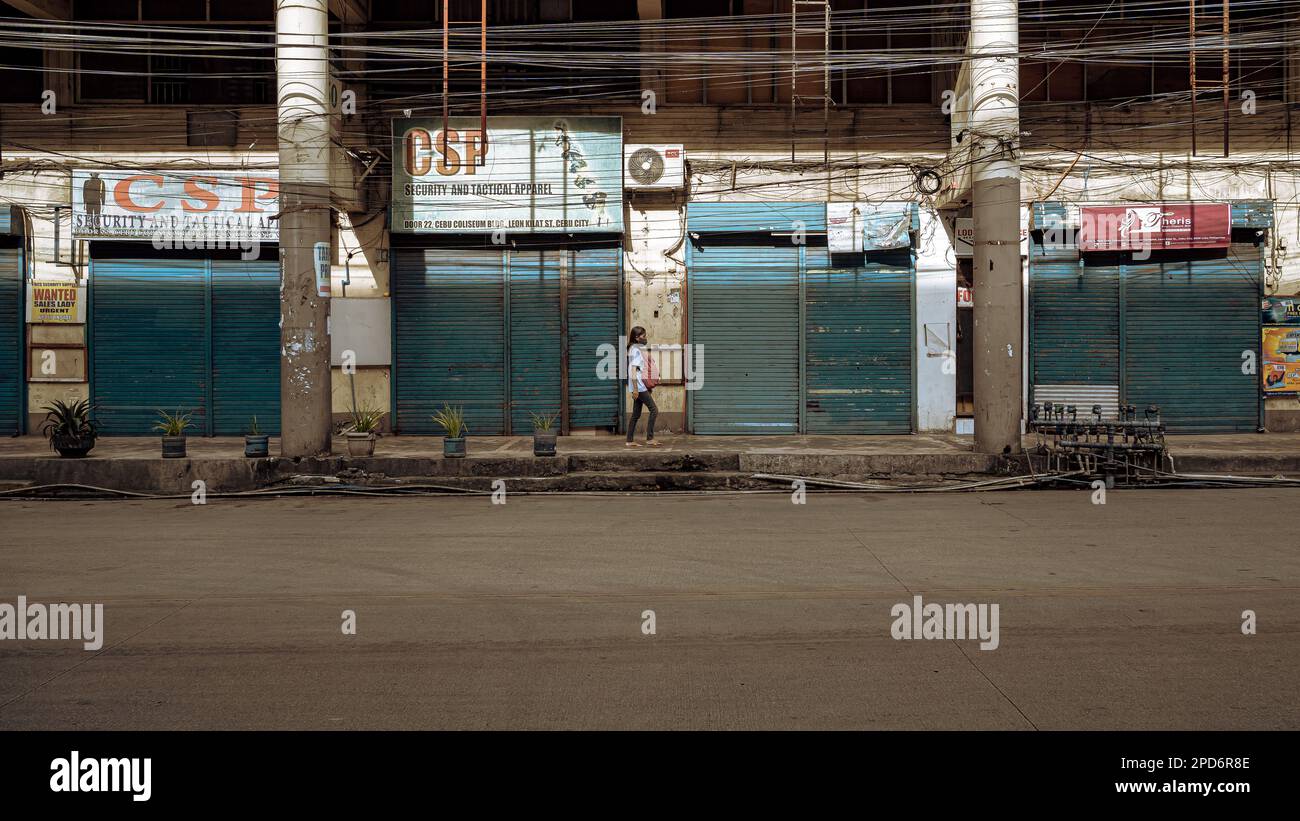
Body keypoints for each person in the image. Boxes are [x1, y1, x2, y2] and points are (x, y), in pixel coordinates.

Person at [625, 325, 659, 447]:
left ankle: (629, 440)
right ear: (637, 337)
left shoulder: (634, 348)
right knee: (654, 410)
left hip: (638, 386)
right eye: (644, 336)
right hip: (639, 386)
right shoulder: (636, 350)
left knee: (636, 414)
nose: (646, 338)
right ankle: (649, 438)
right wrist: (635, 389)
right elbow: (633, 371)